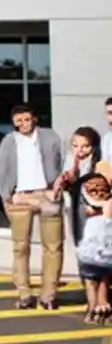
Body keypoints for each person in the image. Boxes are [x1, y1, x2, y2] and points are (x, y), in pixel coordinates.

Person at [0, 104, 65, 310]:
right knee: (20, 247)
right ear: (13, 122)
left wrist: (57, 189)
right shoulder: (8, 142)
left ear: (34, 119)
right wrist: (7, 196)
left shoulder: (50, 137)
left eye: (27, 119)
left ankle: (49, 295)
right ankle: (24, 293)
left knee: (53, 247)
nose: (23, 124)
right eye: (18, 120)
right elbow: (2, 170)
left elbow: (60, 164)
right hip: (20, 197)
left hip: (46, 194)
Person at [51, 127, 106, 321]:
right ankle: (92, 305)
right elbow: (68, 181)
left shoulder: (100, 165)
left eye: (84, 146)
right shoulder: (72, 162)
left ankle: (98, 305)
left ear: (93, 147)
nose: (79, 150)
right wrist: (72, 165)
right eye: (75, 145)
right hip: (76, 215)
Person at [74, 171, 112, 324]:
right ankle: (102, 308)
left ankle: (92, 308)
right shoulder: (107, 205)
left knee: (91, 282)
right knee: (103, 281)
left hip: (88, 252)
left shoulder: (86, 207)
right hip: (106, 252)